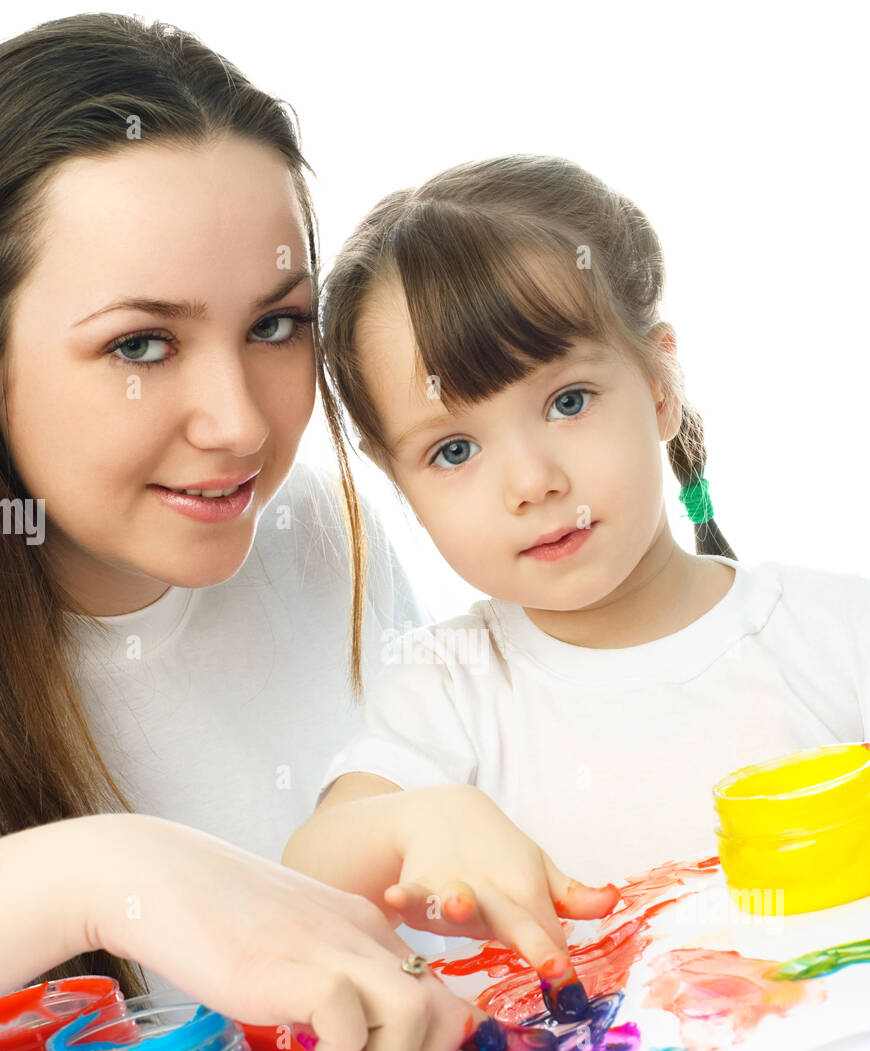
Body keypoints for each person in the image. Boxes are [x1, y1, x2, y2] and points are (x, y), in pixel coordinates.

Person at [0, 13, 481, 1051]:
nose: (241, 427)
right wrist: (100, 871)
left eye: (275, 326)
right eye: (140, 343)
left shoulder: (311, 527)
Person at [284, 153, 870, 982]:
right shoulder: (449, 689)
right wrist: (413, 823)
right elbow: (304, 882)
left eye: (568, 401)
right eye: (454, 449)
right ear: (401, 487)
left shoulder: (839, 634)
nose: (531, 482)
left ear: (660, 382)